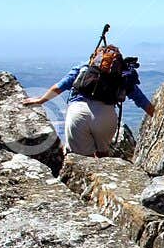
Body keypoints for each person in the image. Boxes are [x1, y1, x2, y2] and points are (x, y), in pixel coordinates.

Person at [24, 34, 152, 157]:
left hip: (78, 114)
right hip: (106, 117)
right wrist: (159, 118)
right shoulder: (121, 76)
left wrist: (41, 100)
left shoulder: (83, 68)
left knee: (83, 162)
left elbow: (59, 87)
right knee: (103, 157)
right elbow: (142, 101)